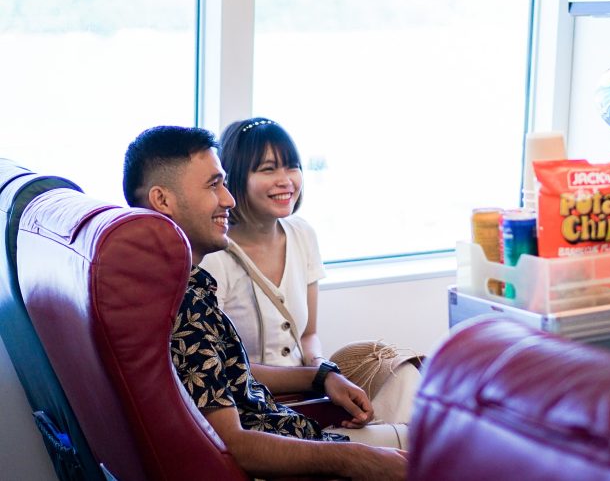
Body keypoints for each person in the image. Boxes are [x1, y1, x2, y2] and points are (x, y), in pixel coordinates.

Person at [123, 125, 407, 480]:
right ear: (163, 200)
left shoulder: (185, 281)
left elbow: (231, 372)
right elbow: (233, 445)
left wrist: (320, 376)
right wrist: (355, 459)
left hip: (293, 428)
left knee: (407, 381)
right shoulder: (182, 305)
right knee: (436, 439)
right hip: (290, 453)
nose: (228, 200)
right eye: (214, 185)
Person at [199, 117, 421, 422]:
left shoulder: (303, 234)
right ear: (235, 178)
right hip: (256, 404)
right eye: (268, 169)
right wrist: (317, 377)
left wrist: (325, 370)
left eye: (292, 166)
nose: (285, 179)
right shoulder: (212, 257)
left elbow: (309, 334)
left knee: (403, 375)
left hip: (309, 390)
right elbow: (224, 366)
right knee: (399, 437)